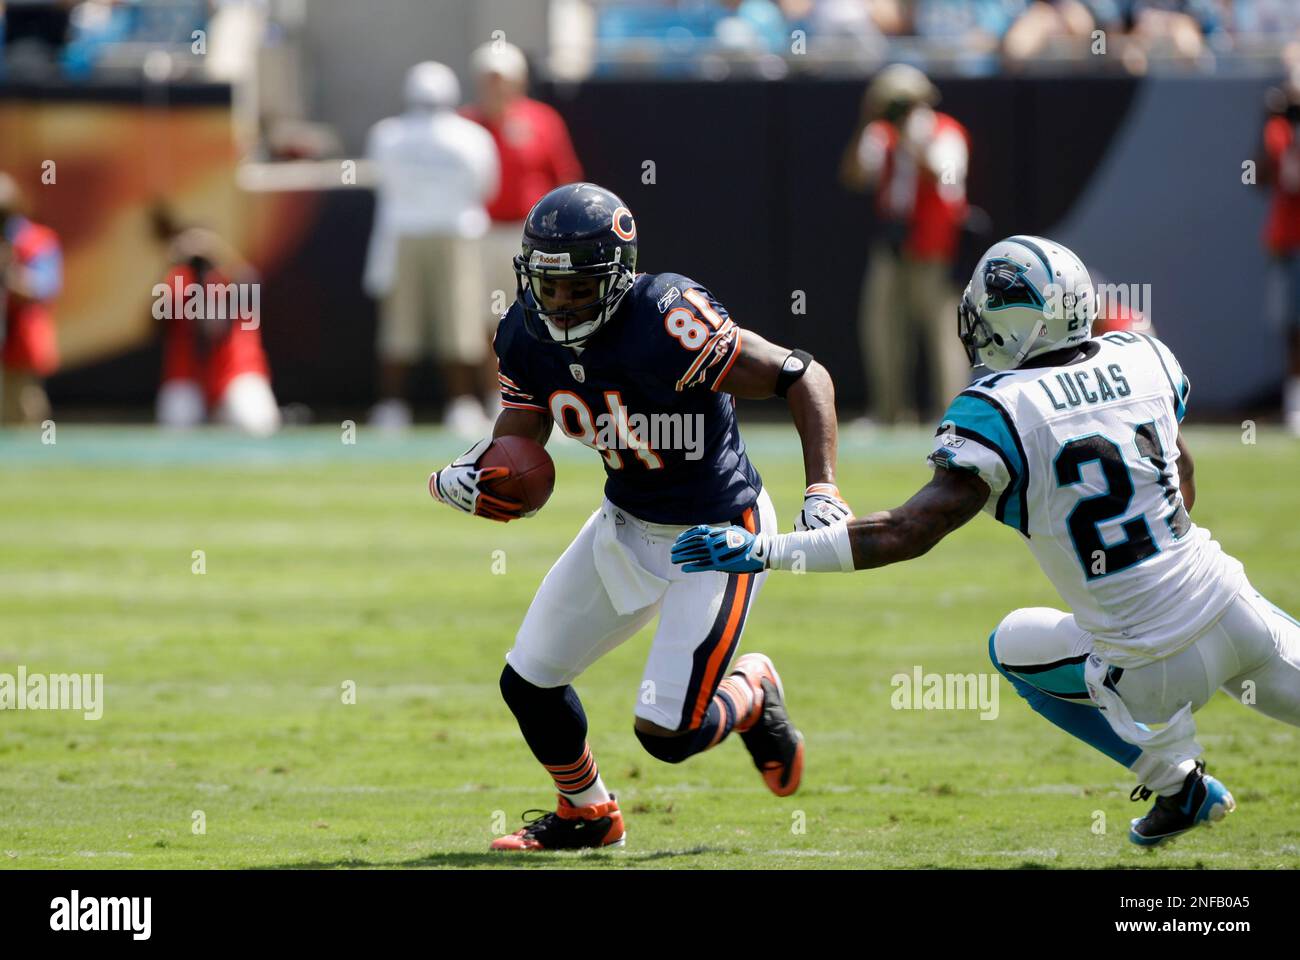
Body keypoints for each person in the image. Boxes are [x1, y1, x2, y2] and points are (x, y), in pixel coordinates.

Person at [673, 236, 1300, 846]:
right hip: (1234, 610)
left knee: (1012, 648)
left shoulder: (1001, 406)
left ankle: (1174, 780)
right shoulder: (1143, 357)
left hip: (1149, 668)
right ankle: (1181, 780)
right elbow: (1182, 480)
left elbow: (906, 532)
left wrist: (767, 549)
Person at [427, 183, 851, 851]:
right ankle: (587, 813)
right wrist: (476, 469)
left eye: (579, 287)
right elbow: (523, 433)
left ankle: (751, 693)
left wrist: (822, 489)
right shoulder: (523, 333)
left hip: (717, 534)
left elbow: (804, 375)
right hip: (623, 523)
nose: (560, 303)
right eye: (549, 285)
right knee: (529, 682)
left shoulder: (668, 319)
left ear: (619, 277)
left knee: (668, 735)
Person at [364, 61, 499, 434]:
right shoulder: (471, 136)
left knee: (446, 323)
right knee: (437, 323)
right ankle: (446, 405)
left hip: (430, 231)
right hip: (436, 231)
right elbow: (486, 186)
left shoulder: (388, 134)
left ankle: (420, 406)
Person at [839, 63, 971, 426]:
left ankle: (952, 415)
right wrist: (868, 121)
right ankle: (889, 411)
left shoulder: (945, 133)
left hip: (935, 248)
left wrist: (913, 140)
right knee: (882, 327)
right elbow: (852, 176)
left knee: (943, 333)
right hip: (892, 245)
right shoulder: (880, 135)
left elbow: (947, 180)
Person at [460, 40, 582, 417]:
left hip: (533, 239)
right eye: (489, 79)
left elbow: (565, 179)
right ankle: (497, 400)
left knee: (547, 316)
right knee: (486, 320)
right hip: (480, 233)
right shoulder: (465, 124)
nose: (496, 87)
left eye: (502, 79)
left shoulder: (543, 121)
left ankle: (555, 400)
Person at [151, 207, 280, 436]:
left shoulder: (232, 276)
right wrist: (171, 261)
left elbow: (253, 284)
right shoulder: (178, 280)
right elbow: (153, 319)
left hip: (235, 374)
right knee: (177, 423)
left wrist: (216, 250)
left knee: (257, 422)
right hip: (188, 377)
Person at [1, 171, 62, 425]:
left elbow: (44, 288)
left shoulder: (37, 240)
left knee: (22, 420)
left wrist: (8, 272)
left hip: (18, 353)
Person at [1261, 70, 1300, 436]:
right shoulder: (1280, 129)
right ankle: (1295, 406)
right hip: (1289, 241)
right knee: (1292, 325)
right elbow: (1267, 177)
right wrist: (1270, 119)